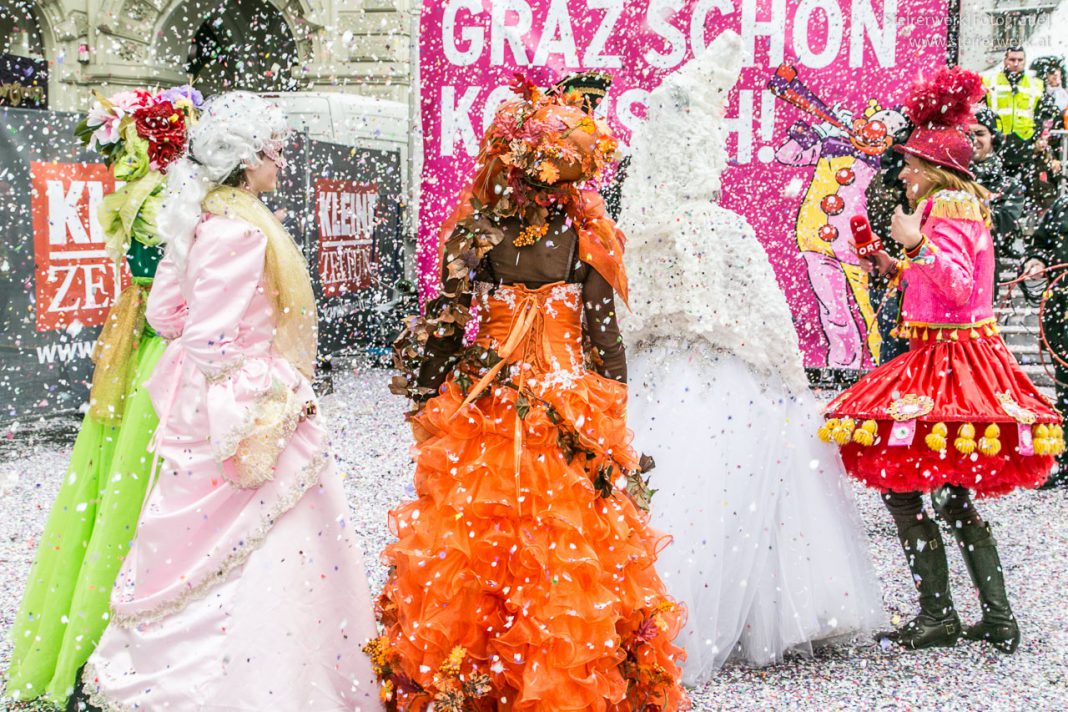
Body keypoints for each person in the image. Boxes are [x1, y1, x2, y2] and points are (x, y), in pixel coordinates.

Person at [373, 80, 689, 710]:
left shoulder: (475, 234)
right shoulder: (588, 240)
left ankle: (472, 678)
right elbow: (605, 341)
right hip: (563, 406)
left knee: (470, 548)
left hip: (486, 405)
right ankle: (553, 679)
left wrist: (430, 393)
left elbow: (445, 322)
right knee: (565, 553)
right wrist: (612, 420)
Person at [78, 92, 382, 710]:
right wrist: (271, 390)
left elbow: (165, 316)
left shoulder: (198, 221)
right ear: (247, 163)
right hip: (239, 404)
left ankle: (194, 666)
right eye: (273, 155)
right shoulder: (242, 233)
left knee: (196, 542)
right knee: (275, 538)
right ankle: (266, 682)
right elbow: (211, 342)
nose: (280, 166)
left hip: (199, 405)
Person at [619, 31, 883, 681]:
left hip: (657, 376)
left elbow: (626, 316)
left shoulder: (637, 233)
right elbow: (767, 315)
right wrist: (791, 378)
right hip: (732, 379)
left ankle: (653, 619)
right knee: (751, 503)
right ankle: (755, 614)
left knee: (666, 499)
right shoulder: (722, 228)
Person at [823, 67, 1062, 654]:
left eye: (908, 163)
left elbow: (955, 283)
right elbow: (953, 284)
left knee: (905, 489)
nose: (901, 172)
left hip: (948, 362)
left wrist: (914, 243)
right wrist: (896, 265)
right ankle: (994, 618)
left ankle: (941, 615)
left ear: (931, 170)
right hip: (957, 355)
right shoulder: (958, 205)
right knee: (949, 492)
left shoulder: (947, 207)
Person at [3, 87, 200, 708]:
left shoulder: (136, 190)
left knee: (116, 484)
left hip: (141, 341)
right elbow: (178, 283)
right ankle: (138, 643)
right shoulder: (168, 198)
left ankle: (102, 637)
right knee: (146, 489)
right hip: (164, 351)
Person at [1022, 194, 1068, 488]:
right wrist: (1035, 261)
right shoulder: (1063, 204)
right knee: (1064, 389)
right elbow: (1039, 243)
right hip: (1060, 309)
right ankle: (1064, 461)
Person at [970, 106, 1028, 275]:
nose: (973, 139)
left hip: (984, 271)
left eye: (979, 134)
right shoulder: (946, 176)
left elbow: (1002, 223)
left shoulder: (1009, 186)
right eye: (967, 134)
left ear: (994, 139)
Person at [983, 46, 1045, 182]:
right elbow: (983, 111)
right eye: (1012, 59)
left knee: (1023, 190)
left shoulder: (1036, 85)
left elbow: (1040, 115)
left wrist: (1034, 138)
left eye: (1020, 60)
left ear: (1025, 61)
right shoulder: (989, 81)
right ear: (1005, 60)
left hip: (1023, 144)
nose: (1016, 63)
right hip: (997, 144)